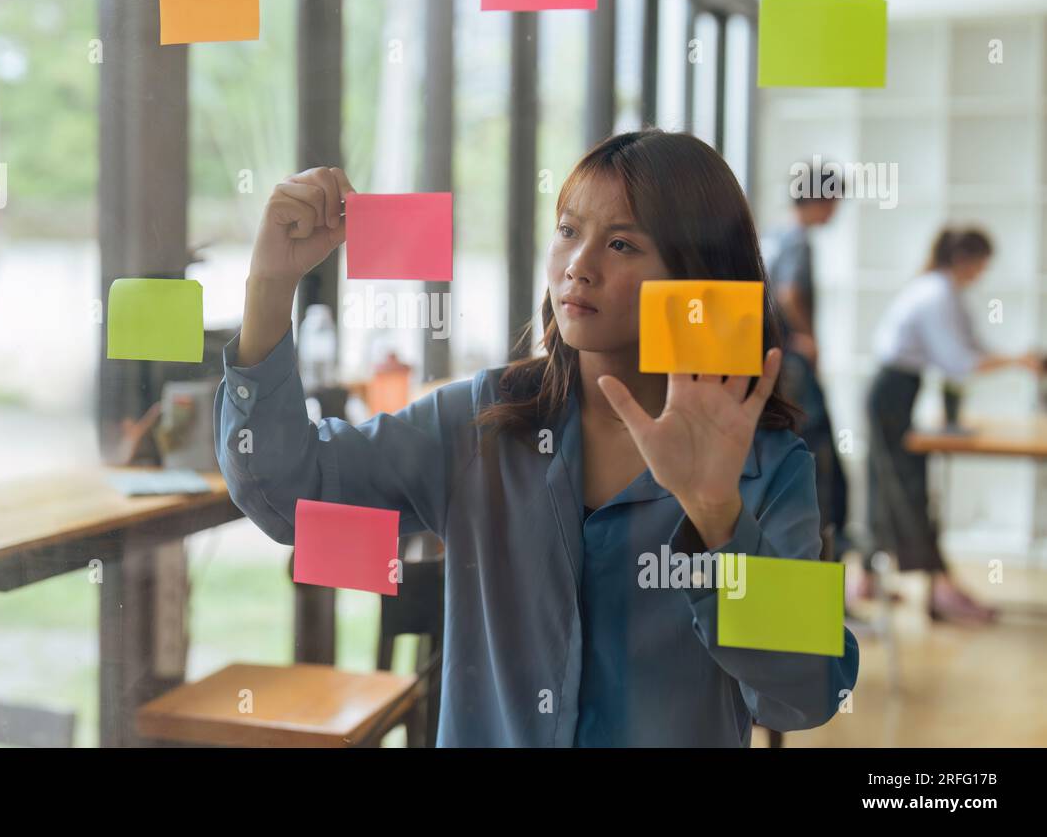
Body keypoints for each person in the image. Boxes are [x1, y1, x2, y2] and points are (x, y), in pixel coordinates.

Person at [216, 130, 859, 746]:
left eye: (623, 245)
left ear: (697, 277)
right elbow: (288, 495)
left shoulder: (768, 466)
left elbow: (804, 696)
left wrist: (719, 520)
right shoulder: (482, 422)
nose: (577, 266)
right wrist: (271, 287)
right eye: (569, 231)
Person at [866, 227, 1040, 624]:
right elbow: (959, 363)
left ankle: (870, 579)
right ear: (966, 260)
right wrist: (1017, 362)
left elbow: (971, 348)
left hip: (899, 390)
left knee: (889, 482)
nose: (983, 272)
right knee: (903, 487)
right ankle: (941, 588)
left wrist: (1015, 358)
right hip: (892, 392)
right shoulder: (937, 294)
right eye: (982, 264)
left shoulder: (944, 292)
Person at [763, 158, 849, 563]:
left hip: (775, 359)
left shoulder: (773, 234)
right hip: (794, 360)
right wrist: (809, 338)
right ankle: (823, 562)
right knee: (818, 460)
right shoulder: (798, 240)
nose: (837, 210)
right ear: (819, 198)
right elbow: (790, 291)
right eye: (835, 200)